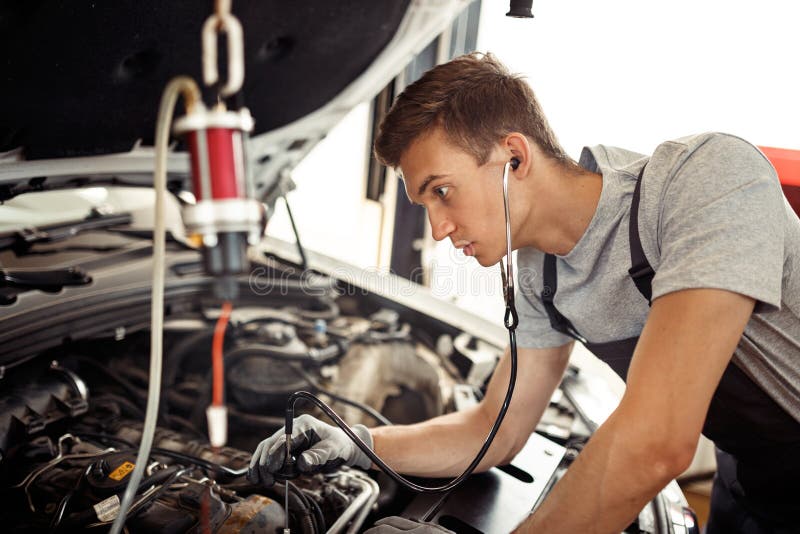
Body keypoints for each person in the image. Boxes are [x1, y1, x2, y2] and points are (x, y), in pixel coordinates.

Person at [249, 53, 800, 533]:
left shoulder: (705, 180)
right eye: (425, 205)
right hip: (749, 483)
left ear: (514, 156)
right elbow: (496, 427)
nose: (438, 229)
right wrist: (359, 442)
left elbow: (656, 441)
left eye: (443, 191)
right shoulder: (539, 273)